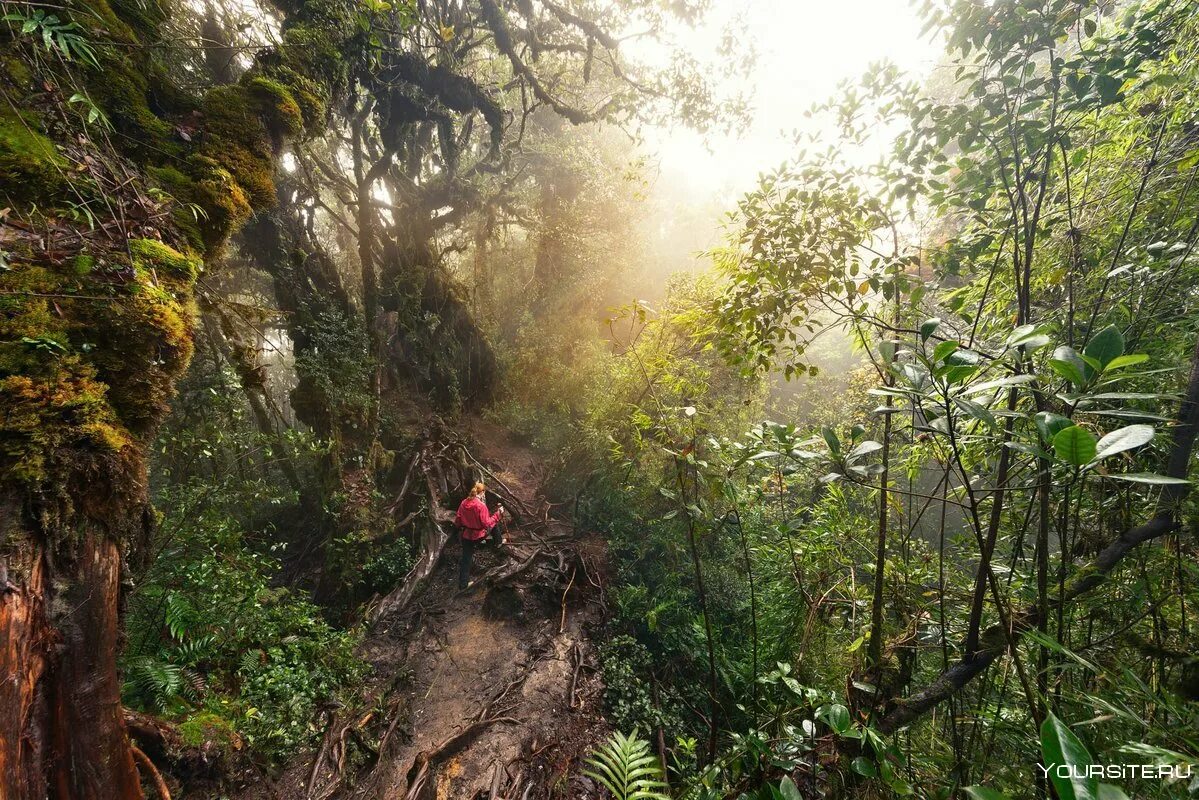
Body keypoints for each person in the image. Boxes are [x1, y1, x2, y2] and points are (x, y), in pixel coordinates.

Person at [455, 482, 506, 589]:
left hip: (466, 536)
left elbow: (458, 520)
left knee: (466, 558)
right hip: (478, 535)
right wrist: (498, 514)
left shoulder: (463, 503)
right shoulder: (481, 506)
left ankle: (463, 584)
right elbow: (487, 524)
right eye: (484, 492)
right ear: (482, 492)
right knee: (494, 524)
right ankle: (499, 543)